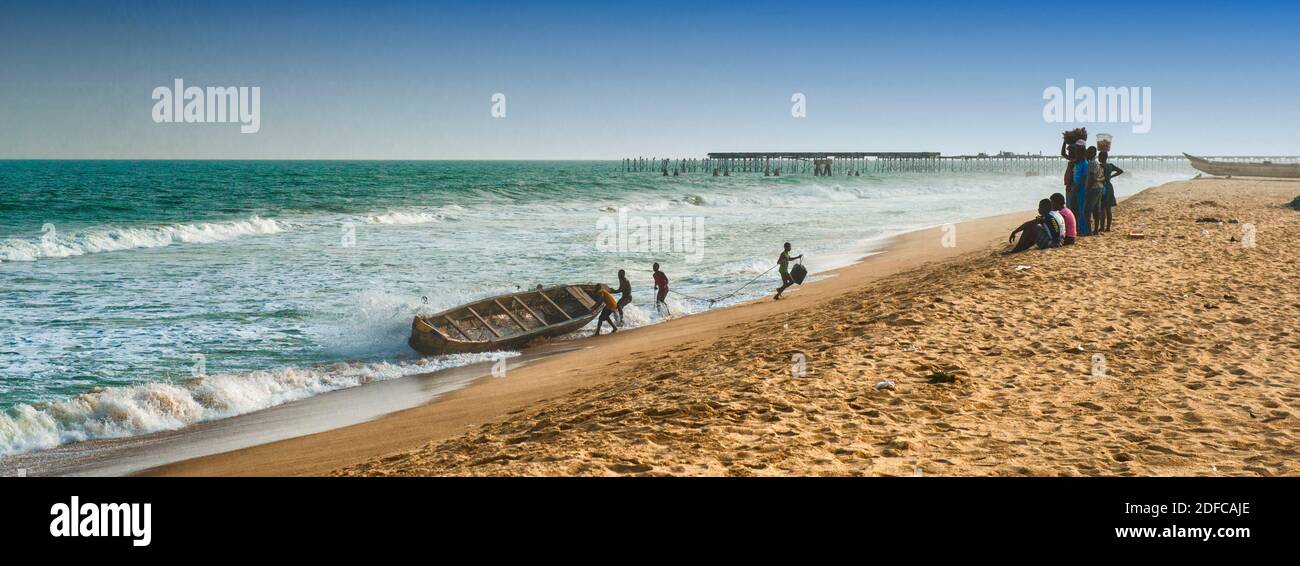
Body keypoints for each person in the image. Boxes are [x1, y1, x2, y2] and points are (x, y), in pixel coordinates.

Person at [1069, 141, 1091, 236]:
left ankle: (1084, 230)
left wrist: (1075, 187)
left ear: (1082, 152)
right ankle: (1079, 228)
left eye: (1078, 151)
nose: (1076, 153)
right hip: (1076, 188)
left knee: (1082, 210)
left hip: (1081, 189)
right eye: (1075, 151)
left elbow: (1084, 178)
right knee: (1076, 209)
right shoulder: (1078, 163)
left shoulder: (1085, 163)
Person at [1099, 151, 1123, 232]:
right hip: (1109, 186)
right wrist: (1111, 176)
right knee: (1108, 208)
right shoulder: (1110, 166)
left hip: (1103, 186)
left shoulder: (1100, 166)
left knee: (1102, 208)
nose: (1098, 158)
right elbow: (1120, 171)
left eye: (1099, 156)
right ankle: (1108, 227)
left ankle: (1102, 227)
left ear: (1102, 157)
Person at [1085, 146, 1106, 234]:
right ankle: (1096, 230)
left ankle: (1089, 230)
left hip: (1093, 189)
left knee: (1087, 210)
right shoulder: (1097, 163)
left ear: (1093, 153)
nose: (1086, 154)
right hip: (1099, 188)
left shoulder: (1092, 163)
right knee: (1096, 210)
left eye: (1088, 152)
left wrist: (1087, 189)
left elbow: (1092, 178)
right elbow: (1102, 177)